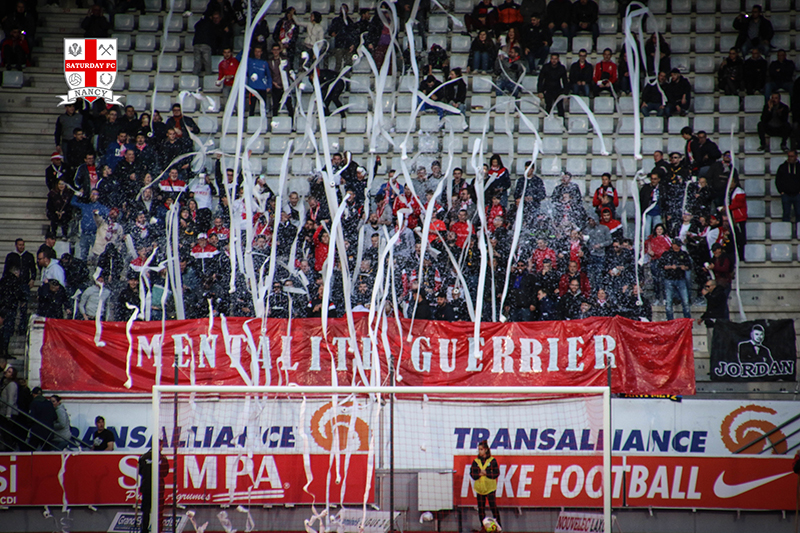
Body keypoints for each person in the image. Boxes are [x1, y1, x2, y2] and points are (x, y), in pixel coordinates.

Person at [138, 439, 169, 533]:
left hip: (146, 487)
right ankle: (158, 529)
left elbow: (140, 472)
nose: (162, 448)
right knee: (159, 510)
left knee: (146, 510)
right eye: (161, 446)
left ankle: (144, 529)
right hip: (158, 488)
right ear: (158, 446)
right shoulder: (163, 458)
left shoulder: (143, 457)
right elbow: (165, 473)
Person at [470, 439, 500, 528]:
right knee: (481, 509)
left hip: (490, 489)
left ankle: (498, 526)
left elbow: (496, 473)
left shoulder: (492, 461)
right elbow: (472, 474)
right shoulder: (476, 461)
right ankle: (483, 527)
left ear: (486, 450)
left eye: (481, 449)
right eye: (479, 449)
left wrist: (486, 473)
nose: (479, 451)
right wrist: (479, 474)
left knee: (493, 508)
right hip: (480, 489)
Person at [660, 238, 691, 321]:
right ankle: (670, 321)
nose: (677, 247)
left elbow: (689, 266)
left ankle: (687, 321)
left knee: (685, 302)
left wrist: (684, 267)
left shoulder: (684, 254)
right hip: (669, 279)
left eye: (678, 245)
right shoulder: (666, 254)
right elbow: (661, 265)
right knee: (669, 302)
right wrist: (670, 267)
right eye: (675, 245)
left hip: (681, 279)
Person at [245, 46, 272, 117]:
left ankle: (263, 121)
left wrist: (269, 86)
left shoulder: (264, 63)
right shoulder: (249, 61)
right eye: (256, 51)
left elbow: (268, 75)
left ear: (261, 52)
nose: (257, 53)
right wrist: (246, 49)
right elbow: (238, 58)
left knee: (263, 107)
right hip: (253, 88)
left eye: (259, 51)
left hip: (262, 88)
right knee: (252, 107)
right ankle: (251, 121)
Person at [28, 386, 57, 450]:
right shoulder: (49, 403)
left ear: (33, 394)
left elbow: (31, 417)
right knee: (46, 451)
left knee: (30, 449)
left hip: (37, 431)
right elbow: (55, 417)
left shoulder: (34, 403)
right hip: (48, 431)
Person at [775, 150, 800, 222]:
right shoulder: (782, 167)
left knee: (799, 213)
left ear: (796, 156)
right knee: (786, 214)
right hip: (786, 194)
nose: (790, 158)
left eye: (792, 156)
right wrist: (781, 191)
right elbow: (778, 180)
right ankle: (785, 228)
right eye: (789, 156)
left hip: (797, 194)